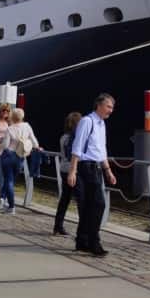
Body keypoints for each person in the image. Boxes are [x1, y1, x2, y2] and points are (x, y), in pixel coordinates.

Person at [68, 94, 117, 257]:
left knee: (89, 206)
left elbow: (101, 150)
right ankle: (94, 242)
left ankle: (82, 241)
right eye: (108, 106)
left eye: (112, 107)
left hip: (96, 168)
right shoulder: (87, 122)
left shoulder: (102, 124)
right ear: (99, 105)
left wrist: (108, 170)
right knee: (98, 205)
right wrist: (73, 171)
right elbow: (77, 146)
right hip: (86, 167)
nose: (111, 110)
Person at [0, 107, 41, 215]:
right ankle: (3, 198)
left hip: (9, 155)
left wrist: (0, 144)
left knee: (8, 180)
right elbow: (34, 141)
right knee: (11, 181)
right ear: (22, 116)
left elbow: (5, 145)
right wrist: (37, 147)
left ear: (12, 117)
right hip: (20, 157)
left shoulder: (10, 129)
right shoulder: (27, 126)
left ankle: (10, 205)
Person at [53, 111, 82, 236]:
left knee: (64, 199)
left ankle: (58, 226)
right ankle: (83, 228)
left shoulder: (63, 137)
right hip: (74, 170)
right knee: (81, 200)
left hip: (63, 168)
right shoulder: (75, 138)